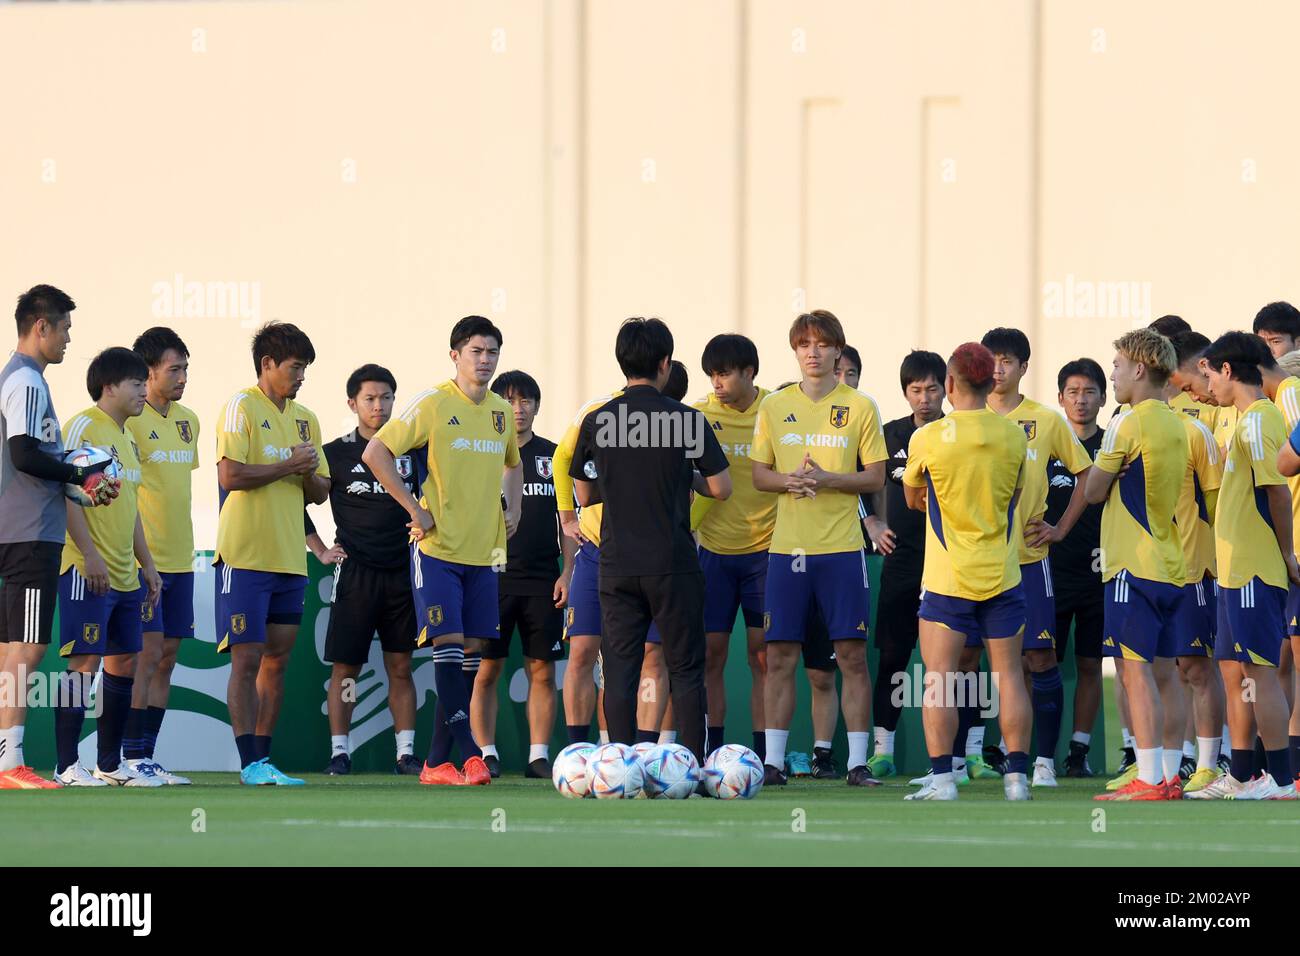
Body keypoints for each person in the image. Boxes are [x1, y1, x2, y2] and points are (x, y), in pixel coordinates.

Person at [365, 316, 522, 786]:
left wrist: (512, 508)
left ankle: (435, 762)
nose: (486, 359)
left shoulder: (498, 411)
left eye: (493, 351)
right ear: (455, 355)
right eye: (476, 350)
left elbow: (512, 465)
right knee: (448, 646)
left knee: (471, 652)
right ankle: (471, 752)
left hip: (485, 553)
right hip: (437, 550)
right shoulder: (433, 403)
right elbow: (376, 452)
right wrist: (414, 507)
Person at [569, 317, 731, 762]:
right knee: (685, 670)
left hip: (616, 562)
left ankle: (618, 765)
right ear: (664, 364)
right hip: (673, 562)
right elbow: (722, 488)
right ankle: (695, 765)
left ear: (623, 363)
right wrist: (687, 478)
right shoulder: (686, 420)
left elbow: (583, 493)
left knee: (619, 671)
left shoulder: (598, 420)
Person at [751, 310, 887, 787]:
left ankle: (856, 764)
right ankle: (771, 762)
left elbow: (875, 476)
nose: (813, 352)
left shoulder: (860, 406)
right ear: (795, 351)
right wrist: (787, 481)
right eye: (804, 344)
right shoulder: (774, 406)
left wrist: (830, 480)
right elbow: (758, 474)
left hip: (843, 551)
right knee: (780, 656)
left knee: (851, 657)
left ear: (838, 351)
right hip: (787, 551)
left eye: (822, 344)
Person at [901, 342, 1032, 801]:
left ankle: (942, 781)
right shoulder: (1015, 436)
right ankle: (1017, 779)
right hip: (1003, 572)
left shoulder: (927, 437)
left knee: (938, 678)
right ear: (991, 381)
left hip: (947, 577)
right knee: (1009, 676)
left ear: (951, 384)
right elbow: (1015, 498)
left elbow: (912, 499)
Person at [215, 322, 330, 785]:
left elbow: (320, 491)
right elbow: (230, 476)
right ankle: (248, 763)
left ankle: (264, 759)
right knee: (246, 659)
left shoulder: (306, 418)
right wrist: (289, 465)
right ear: (267, 364)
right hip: (244, 556)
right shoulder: (240, 407)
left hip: (289, 558)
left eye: (304, 368)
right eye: (295, 367)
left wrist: (304, 473)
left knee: (276, 660)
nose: (301, 376)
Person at [0, 285, 103, 790]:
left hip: (14, 529)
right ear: (40, 326)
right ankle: (11, 763)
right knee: (28, 648)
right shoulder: (26, 382)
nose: (67, 338)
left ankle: (5, 757)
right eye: (63, 328)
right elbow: (23, 454)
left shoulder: (17, 379)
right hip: (30, 534)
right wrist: (77, 474)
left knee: (8, 650)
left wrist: (76, 484)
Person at [980, 328, 1093, 789]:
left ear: (1024, 367)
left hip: (1029, 559)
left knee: (1039, 658)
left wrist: (1059, 529)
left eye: (1008, 360)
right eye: (992, 359)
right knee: (977, 660)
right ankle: (983, 759)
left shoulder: (1045, 420)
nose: (999, 368)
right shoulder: (966, 416)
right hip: (978, 561)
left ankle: (1043, 760)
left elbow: (1087, 476)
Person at [54, 347, 163, 786]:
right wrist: (90, 555)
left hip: (125, 573)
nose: (144, 391)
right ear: (110, 386)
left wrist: (147, 565)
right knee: (84, 664)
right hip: (86, 568)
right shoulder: (83, 425)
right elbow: (62, 491)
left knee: (124, 665)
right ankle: (64, 766)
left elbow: (130, 508)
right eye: (137, 384)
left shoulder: (129, 438)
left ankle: (110, 765)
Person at [1089, 330, 1190, 802]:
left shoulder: (1126, 424)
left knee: (1135, 672)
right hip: (1172, 563)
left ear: (1139, 369)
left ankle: (1148, 777)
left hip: (1133, 564)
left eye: (1116, 364)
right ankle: (1168, 774)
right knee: (1168, 674)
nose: (1111, 373)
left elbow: (1091, 490)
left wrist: (1106, 476)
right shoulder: (1176, 423)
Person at [308, 364, 422, 776]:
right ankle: (340, 752)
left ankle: (405, 754)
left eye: (386, 397)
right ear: (352, 403)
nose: (379, 406)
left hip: (403, 574)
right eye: (370, 399)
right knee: (346, 669)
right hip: (355, 574)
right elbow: (296, 501)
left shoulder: (413, 451)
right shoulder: (334, 453)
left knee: (401, 666)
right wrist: (320, 549)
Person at [1199, 331, 1297, 799]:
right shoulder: (1242, 422)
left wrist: (1285, 554)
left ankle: (1280, 780)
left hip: (1256, 569)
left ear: (1228, 370)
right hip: (1234, 569)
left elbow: (1277, 492)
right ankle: (1241, 776)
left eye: (1210, 372)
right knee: (1237, 672)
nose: (1208, 385)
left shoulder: (1260, 421)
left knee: (1261, 671)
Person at [473, 369, 575, 779]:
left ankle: (537, 756)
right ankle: (485, 752)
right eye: (511, 401)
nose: (519, 409)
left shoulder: (554, 457)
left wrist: (568, 571)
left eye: (527, 401)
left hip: (541, 580)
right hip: (490, 577)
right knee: (487, 669)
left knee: (542, 670)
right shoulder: (479, 452)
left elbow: (566, 522)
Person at [863, 350, 947, 779]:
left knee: (952, 663)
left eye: (932, 388)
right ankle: (882, 750)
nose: (925, 398)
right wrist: (872, 521)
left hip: (951, 563)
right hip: (900, 561)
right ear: (905, 393)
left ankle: (962, 756)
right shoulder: (888, 433)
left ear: (947, 388)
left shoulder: (958, 433)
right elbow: (863, 480)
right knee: (894, 656)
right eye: (916, 390)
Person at [692, 334, 773, 762]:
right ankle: (713, 752)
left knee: (762, 658)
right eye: (712, 375)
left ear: (749, 373)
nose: (717, 383)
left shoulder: (776, 411)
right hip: (713, 554)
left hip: (767, 552)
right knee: (710, 656)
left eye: (724, 374)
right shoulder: (699, 415)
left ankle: (764, 756)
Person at [122, 327, 198, 785]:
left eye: (186, 368)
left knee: (167, 656)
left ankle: (147, 756)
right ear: (147, 372)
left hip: (182, 558)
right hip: (141, 559)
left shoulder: (189, 419)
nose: (183, 377)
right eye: (175, 369)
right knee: (146, 654)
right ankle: (128, 757)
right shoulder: (129, 421)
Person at [1043, 359, 1107, 778]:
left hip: (1100, 574)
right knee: (1042, 662)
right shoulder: (1047, 443)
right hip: (1050, 572)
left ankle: (1079, 751)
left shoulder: (1113, 444)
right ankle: (1041, 754)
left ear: (1103, 397)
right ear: (1060, 398)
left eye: (1089, 392)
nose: (1080, 400)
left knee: (1089, 665)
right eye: (1073, 392)